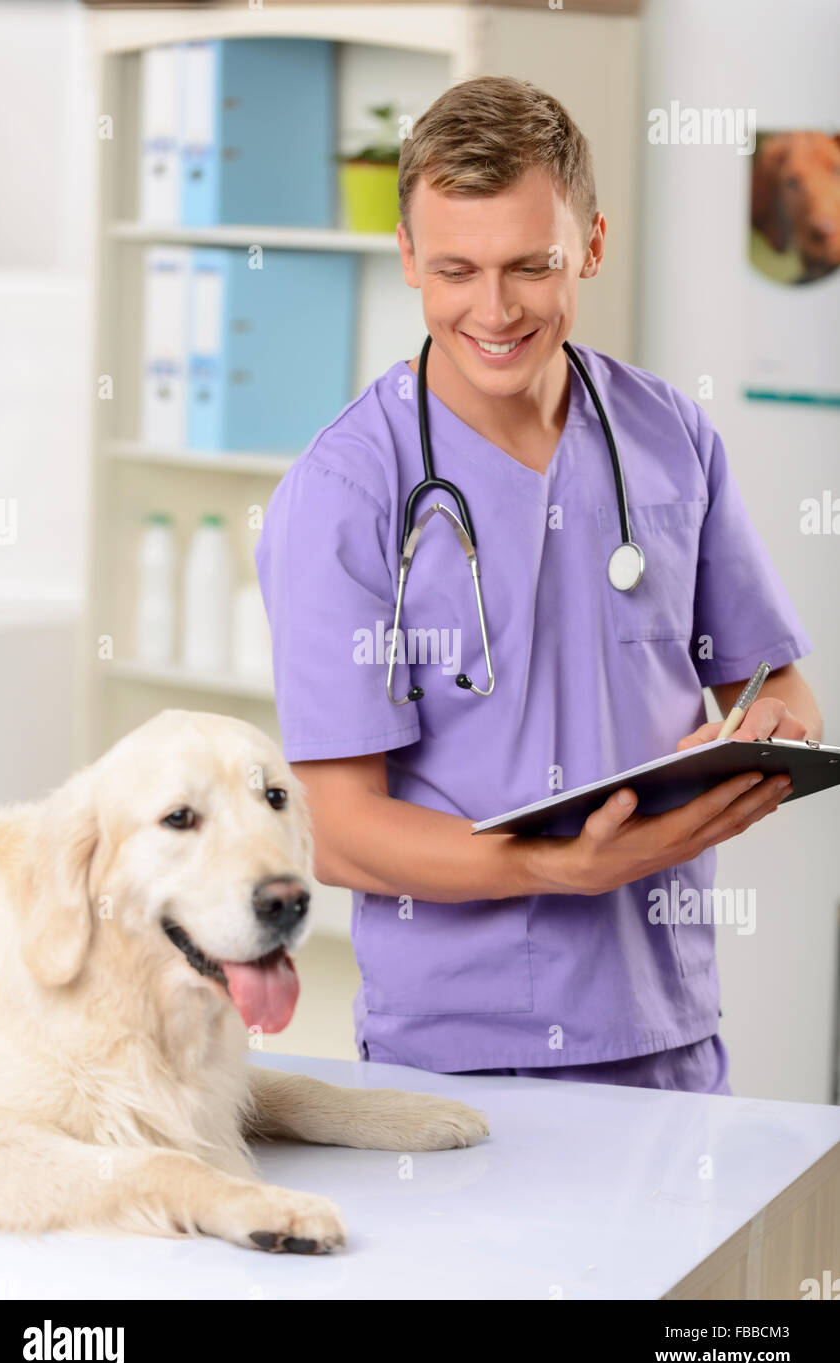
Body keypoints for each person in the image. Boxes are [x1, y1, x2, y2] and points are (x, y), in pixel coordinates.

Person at [255, 76, 822, 1095]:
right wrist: (552, 869)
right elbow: (338, 832)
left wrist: (758, 732)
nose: (495, 308)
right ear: (409, 261)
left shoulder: (670, 436)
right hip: (460, 1050)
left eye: (532, 265)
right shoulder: (345, 491)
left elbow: (775, 684)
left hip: (667, 1025)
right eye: (457, 270)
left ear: (591, 246)